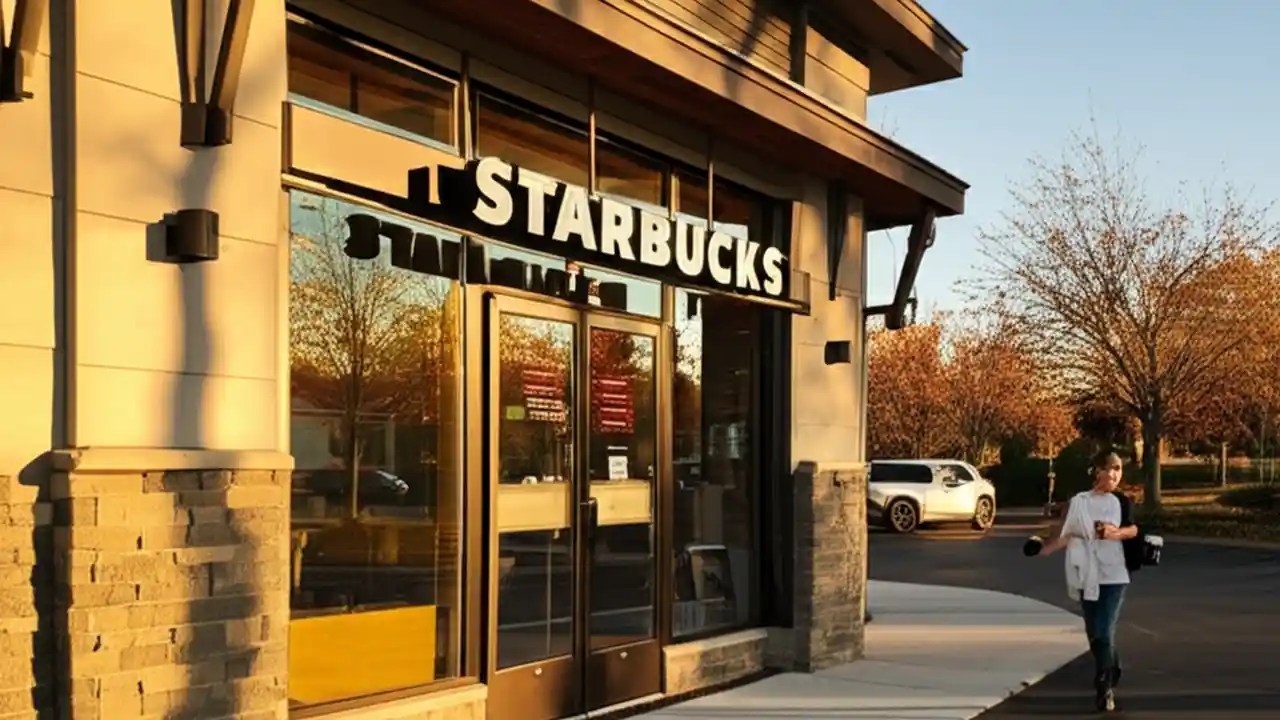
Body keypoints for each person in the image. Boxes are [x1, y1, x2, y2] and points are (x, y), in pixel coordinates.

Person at [1022, 450, 1140, 712]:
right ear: (1096, 471)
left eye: (1118, 469)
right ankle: (1113, 665)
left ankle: (1104, 685)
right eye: (1109, 468)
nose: (1114, 474)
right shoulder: (1079, 502)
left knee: (1103, 630)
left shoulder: (1122, 501)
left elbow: (1133, 529)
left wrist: (1115, 533)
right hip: (1085, 574)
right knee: (1094, 634)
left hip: (1114, 573)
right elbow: (1067, 534)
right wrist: (1044, 549)